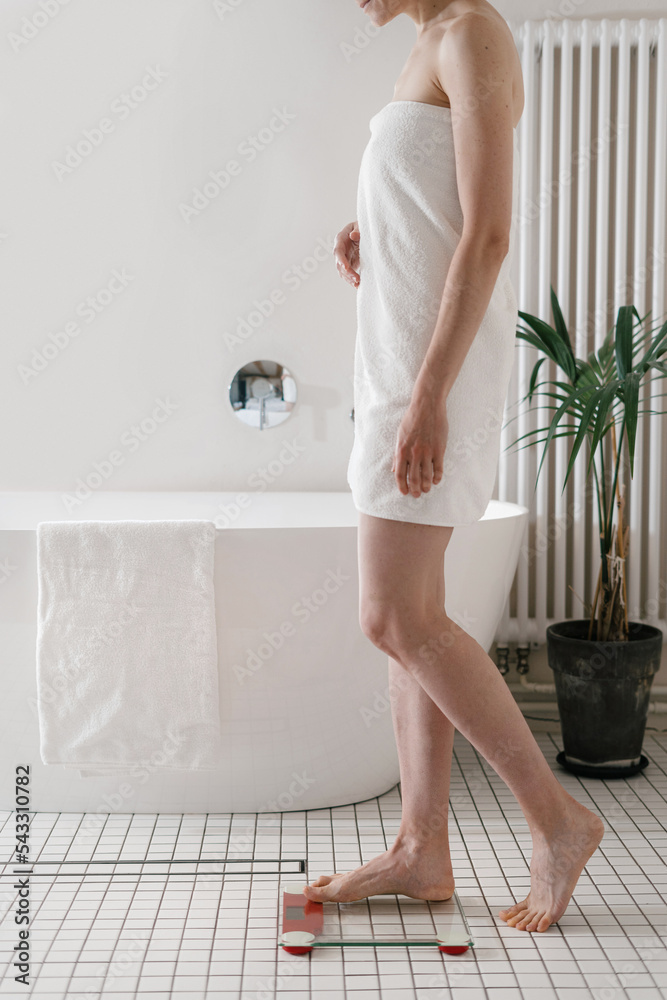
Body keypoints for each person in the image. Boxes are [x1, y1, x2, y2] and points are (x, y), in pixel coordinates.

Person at [303, 0, 605, 934]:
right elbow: (436, 216)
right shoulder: (425, 51)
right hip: (397, 357)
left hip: (429, 374)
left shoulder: (472, 31)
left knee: (393, 614)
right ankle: (419, 850)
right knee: (411, 620)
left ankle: (558, 823)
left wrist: (430, 395)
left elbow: (488, 234)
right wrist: (373, 235)